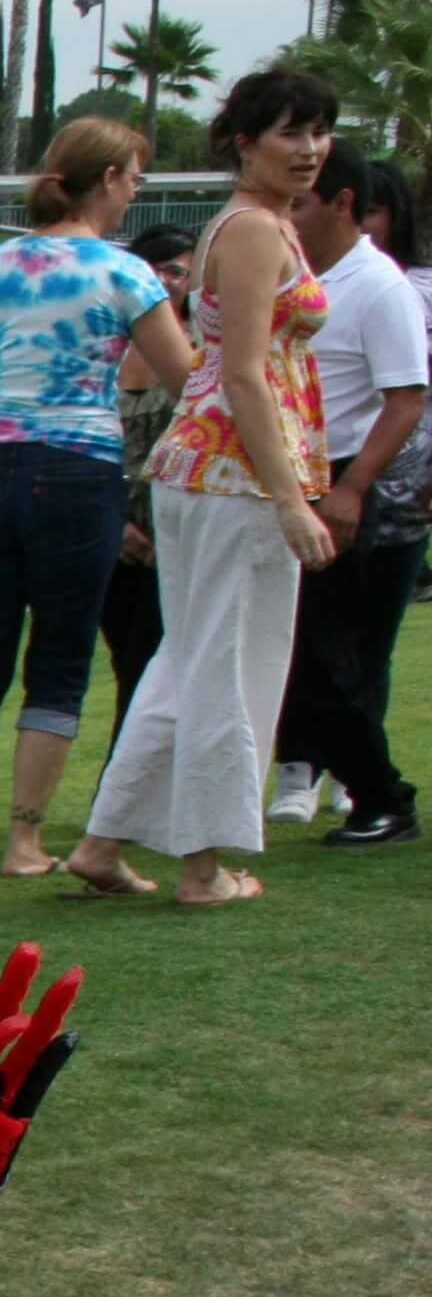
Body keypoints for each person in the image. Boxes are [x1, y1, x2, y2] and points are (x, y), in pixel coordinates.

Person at [67, 72, 343, 908]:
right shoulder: (254, 229)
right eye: (290, 132)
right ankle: (202, 868)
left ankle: (102, 843)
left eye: (319, 132)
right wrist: (290, 498)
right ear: (244, 142)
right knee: (231, 661)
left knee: (189, 658)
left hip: (210, 470)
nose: (309, 149)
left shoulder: (259, 223)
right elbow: (246, 374)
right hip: (236, 475)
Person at [0, 118, 194, 880]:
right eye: (134, 177)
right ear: (107, 179)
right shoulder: (126, 272)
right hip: (79, 471)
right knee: (60, 660)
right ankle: (24, 844)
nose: (135, 192)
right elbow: (185, 377)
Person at [270, 144, 430, 843]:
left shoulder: (380, 286)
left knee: (329, 658)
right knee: (307, 655)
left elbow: (407, 399)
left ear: (343, 205)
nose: (288, 213)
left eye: (300, 202)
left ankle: (380, 797)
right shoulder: (297, 274)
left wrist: (353, 487)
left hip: (335, 478)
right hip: (291, 475)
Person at [98, 226, 200, 741]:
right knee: (124, 655)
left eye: (181, 271)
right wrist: (116, 522)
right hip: (109, 523)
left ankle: (125, 774)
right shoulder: (104, 347)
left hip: (174, 530)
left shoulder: (201, 349)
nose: (168, 280)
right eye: (158, 268)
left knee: (150, 657)